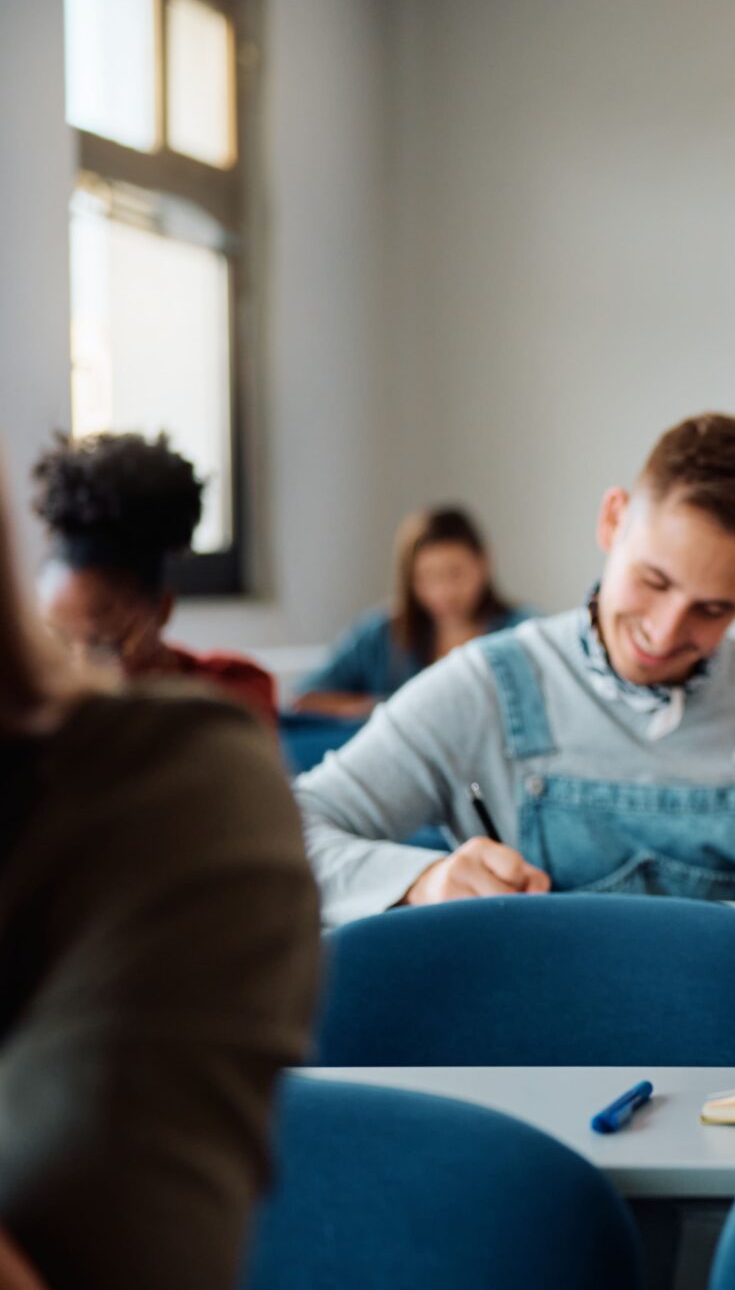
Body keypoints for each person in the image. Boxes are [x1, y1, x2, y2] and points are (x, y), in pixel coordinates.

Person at [296, 413, 735, 924]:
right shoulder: (483, 687)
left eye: (712, 609)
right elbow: (286, 834)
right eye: (653, 581)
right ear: (612, 521)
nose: (662, 632)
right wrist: (423, 879)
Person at [0, 463, 322, 1289]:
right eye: (56, 633)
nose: (81, 660)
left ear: (159, 613)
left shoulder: (200, 748)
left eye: (101, 639)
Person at [31, 432, 277, 724]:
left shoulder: (232, 690)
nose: (79, 670)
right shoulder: (36, 702)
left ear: (162, 609)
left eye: (104, 647)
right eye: (58, 643)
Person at [294, 505, 532, 718]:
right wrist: (379, 710)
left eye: (455, 573)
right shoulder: (381, 635)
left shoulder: (523, 632)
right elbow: (305, 698)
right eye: (426, 577)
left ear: (484, 562)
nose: (443, 592)